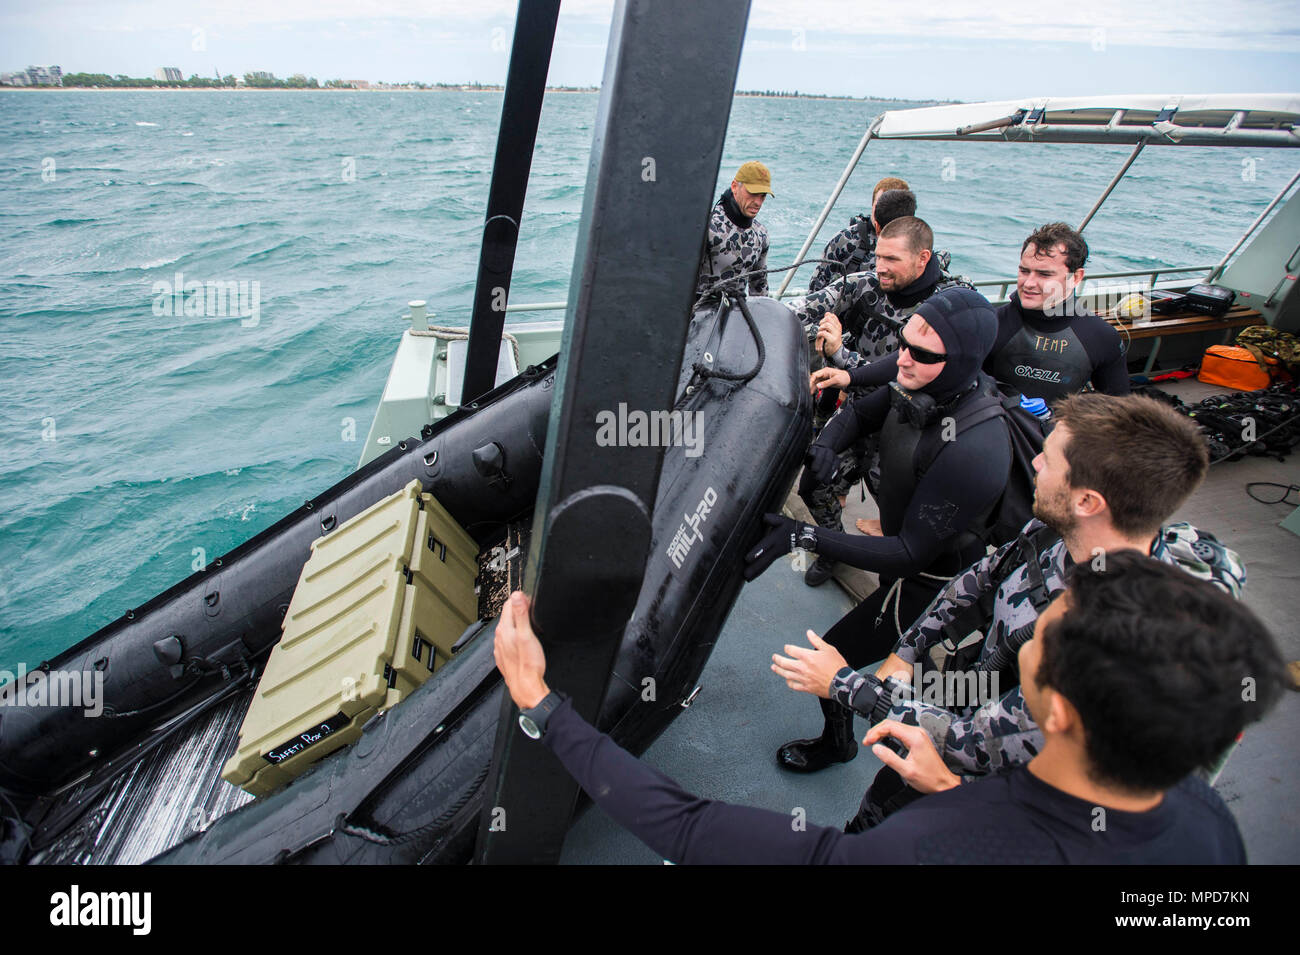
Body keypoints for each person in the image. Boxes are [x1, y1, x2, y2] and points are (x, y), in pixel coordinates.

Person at [492, 554, 1287, 863]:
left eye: (1046, 628)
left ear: (1066, 712)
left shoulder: (932, 849)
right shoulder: (1208, 823)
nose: (1033, 620)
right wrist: (951, 785)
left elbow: (691, 827)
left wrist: (540, 700)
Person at [771, 392, 1246, 826]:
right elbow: (980, 578)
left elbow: (975, 743)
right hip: (981, 686)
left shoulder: (1105, 662)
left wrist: (842, 682)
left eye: (1049, 458)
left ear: (1087, 500)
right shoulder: (1059, 530)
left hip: (1012, 793)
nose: (1034, 460)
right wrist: (909, 651)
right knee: (888, 793)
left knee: (890, 828)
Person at [745, 286, 1014, 772]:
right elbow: (861, 411)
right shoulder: (920, 377)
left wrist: (803, 535)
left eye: (920, 353)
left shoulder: (976, 449)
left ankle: (840, 745)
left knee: (834, 657)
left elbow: (911, 552)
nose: (901, 360)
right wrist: (828, 442)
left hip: (932, 585)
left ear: (962, 361)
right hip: (904, 560)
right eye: (902, 344)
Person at [787, 216, 974, 587]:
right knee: (813, 484)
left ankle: (896, 585)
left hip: (906, 427)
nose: (880, 267)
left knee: (897, 516)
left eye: (892, 259)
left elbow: (906, 373)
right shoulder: (863, 286)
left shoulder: (947, 306)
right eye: (878, 256)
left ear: (923, 259)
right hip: (856, 413)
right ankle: (833, 549)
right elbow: (799, 309)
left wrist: (842, 355)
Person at [812, 222, 1130, 401]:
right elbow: (914, 358)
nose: (1029, 283)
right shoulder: (990, 322)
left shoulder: (1099, 337)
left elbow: (1118, 412)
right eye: (1023, 271)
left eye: (1044, 275)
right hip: (981, 440)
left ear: (1076, 278)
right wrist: (850, 375)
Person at [807, 178, 913, 293]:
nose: (885, 211)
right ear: (872, 205)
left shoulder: (916, 248)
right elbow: (816, 288)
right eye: (880, 205)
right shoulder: (845, 240)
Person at [694, 161, 773, 304]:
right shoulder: (706, 228)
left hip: (736, 316)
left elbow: (760, 291)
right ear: (734, 186)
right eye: (753, 194)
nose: (758, 202)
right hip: (698, 316)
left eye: (763, 196)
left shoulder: (760, 235)